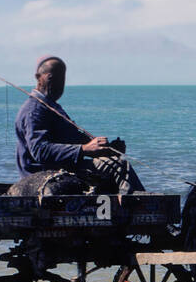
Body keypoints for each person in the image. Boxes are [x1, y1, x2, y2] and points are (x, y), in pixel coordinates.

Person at [14, 55, 145, 193]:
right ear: (40, 78)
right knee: (119, 167)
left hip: (66, 168)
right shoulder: (34, 110)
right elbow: (40, 151)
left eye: (62, 79)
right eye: (54, 78)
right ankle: (144, 208)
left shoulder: (52, 107)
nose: (59, 84)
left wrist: (106, 150)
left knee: (111, 163)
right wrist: (84, 149)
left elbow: (74, 139)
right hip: (42, 175)